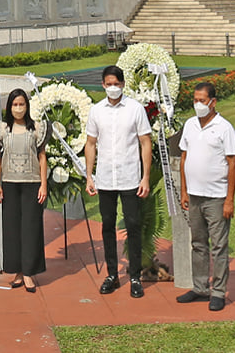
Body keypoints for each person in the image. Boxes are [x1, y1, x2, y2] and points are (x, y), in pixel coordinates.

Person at [83, 64, 150, 298]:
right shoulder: (96, 111)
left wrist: (146, 177)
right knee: (107, 225)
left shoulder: (135, 109)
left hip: (130, 177)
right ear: (103, 85)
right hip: (105, 179)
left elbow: (145, 142)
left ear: (123, 84)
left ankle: (135, 276)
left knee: (133, 225)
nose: (112, 88)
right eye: (108, 84)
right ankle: (112, 273)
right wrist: (89, 176)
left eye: (116, 84)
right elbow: (91, 143)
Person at [174, 81, 235, 312]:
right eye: (195, 100)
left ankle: (219, 291)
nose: (198, 104)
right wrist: (184, 190)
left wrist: (229, 199)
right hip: (194, 195)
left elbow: (233, 164)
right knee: (198, 243)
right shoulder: (190, 125)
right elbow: (184, 158)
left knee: (219, 246)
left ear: (213, 102)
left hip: (216, 196)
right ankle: (200, 287)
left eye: (202, 100)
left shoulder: (224, 128)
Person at [0, 87, 48, 291]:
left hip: (32, 184)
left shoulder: (36, 129)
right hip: (9, 184)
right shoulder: (2, 130)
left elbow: (42, 158)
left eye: (22, 104)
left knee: (31, 228)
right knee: (12, 229)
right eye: (15, 105)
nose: (18, 108)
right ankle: (16, 272)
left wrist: (43, 184)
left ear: (27, 106)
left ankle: (29, 273)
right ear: (9, 107)